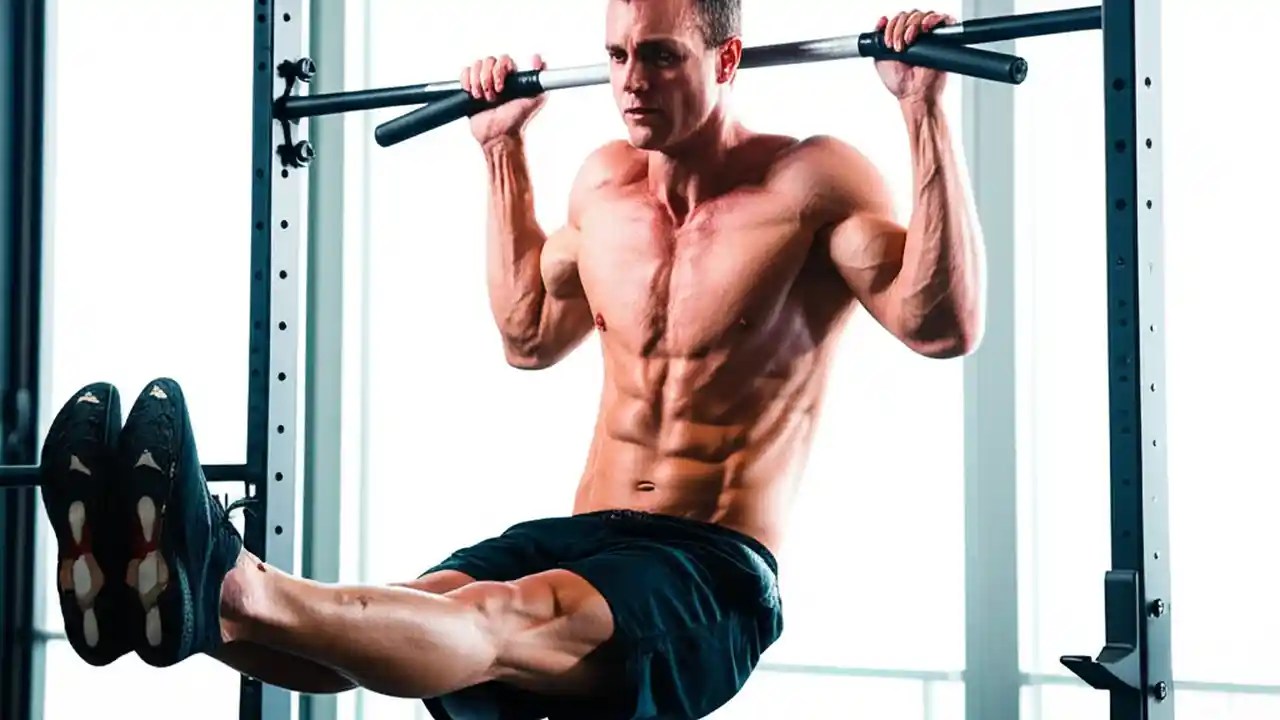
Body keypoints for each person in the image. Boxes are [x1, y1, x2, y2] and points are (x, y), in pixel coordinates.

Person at [38, 1, 985, 718]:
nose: (630, 81)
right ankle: (152, 599)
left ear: (725, 58)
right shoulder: (605, 185)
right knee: (385, 616)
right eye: (618, 55)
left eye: (660, 56)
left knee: (488, 621)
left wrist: (924, 114)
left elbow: (938, 323)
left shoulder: (810, 181)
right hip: (587, 533)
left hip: (711, 572)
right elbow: (529, 334)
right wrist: (502, 152)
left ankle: (223, 573)